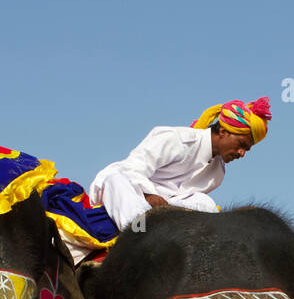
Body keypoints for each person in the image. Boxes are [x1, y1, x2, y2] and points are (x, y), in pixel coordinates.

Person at [88, 98, 271, 231]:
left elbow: (185, 201)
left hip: (164, 209)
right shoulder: (176, 139)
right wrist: (148, 194)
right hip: (129, 192)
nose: (242, 154)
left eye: (247, 150)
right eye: (241, 145)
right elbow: (132, 168)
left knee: (206, 204)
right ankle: (139, 237)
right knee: (116, 179)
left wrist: (164, 206)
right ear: (223, 131)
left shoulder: (218, 173)